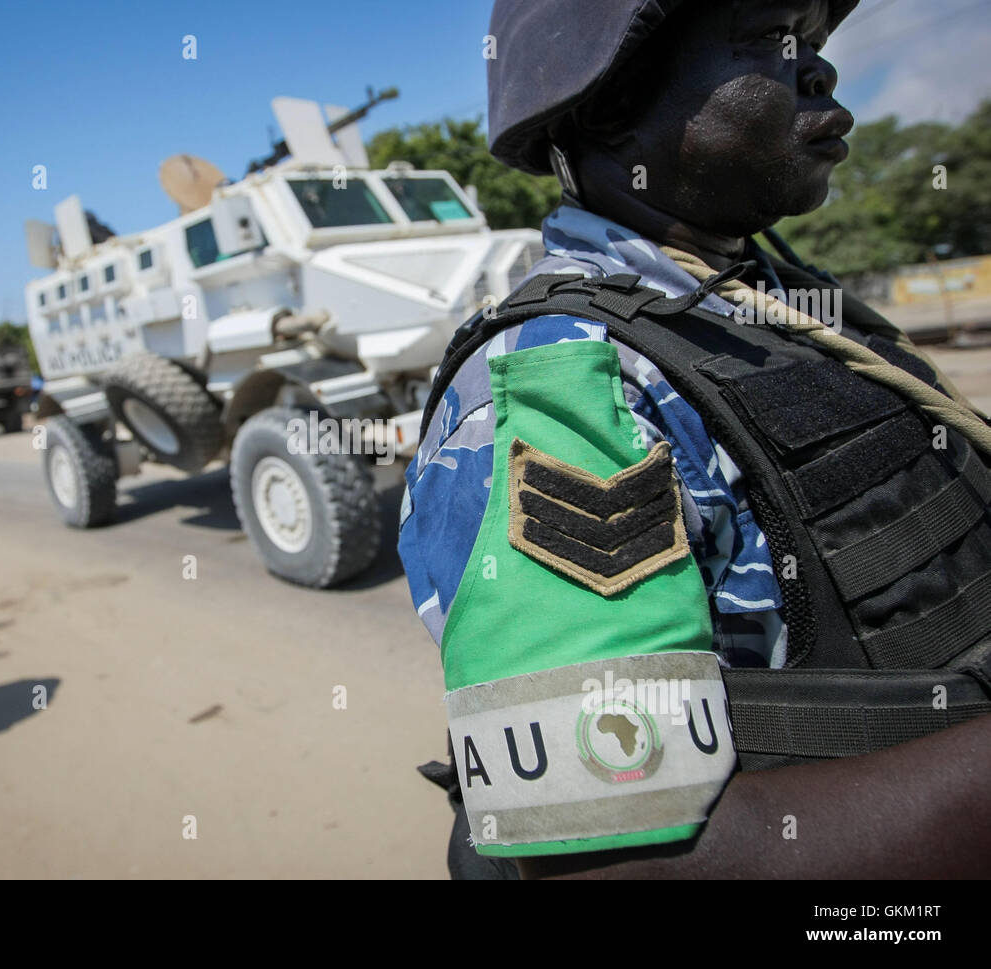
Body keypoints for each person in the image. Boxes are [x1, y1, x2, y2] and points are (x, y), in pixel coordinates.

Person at [399, 0, 991, 878]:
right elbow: (626, 861)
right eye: (766, 36)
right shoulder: (566, 379)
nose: (816, 69)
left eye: (815, 41)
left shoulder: (776, 299)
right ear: (605, 107)